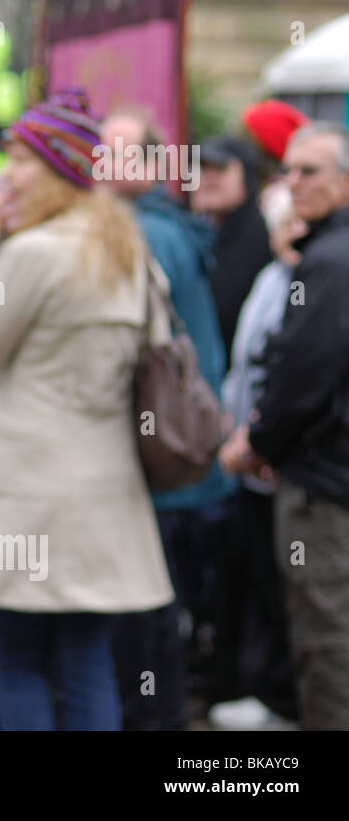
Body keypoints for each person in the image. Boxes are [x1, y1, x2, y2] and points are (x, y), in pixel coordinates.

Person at [0, 89, 174, 730]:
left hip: (30, 488)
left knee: (14, 660)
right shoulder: (126, 249)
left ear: (53, 168)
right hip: (106, 490)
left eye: (20, 159)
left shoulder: (32, 253)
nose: (7, 175)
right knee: (87, 662)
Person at [99, 106, 233, 730]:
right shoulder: (166, 226)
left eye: (121, 152)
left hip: (161, 459)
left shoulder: (146, 233)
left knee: (148, 613)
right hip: (182, 455)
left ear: (150, 166)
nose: (104, 162)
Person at [221, 122, 349, 730]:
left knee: (328, 644)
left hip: (324, 487)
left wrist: (258, 442)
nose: (292, 182)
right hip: (326, 475)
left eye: (310, 171)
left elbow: (303, 371)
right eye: (288, 171)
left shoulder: (329, 263)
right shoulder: (323, 255)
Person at [209, 183, 304, 729]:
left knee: (291, 582)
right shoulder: (272, 277)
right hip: (250, 460)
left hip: (277, 459)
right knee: (263, 580)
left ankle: (289, 700)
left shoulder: (312, 282)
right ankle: (274, 693)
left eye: (295, 226)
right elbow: (246, 364)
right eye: (282, 226)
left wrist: (263, 438)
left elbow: (291, 372)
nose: (289, 236)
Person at [191, 135, 271, 364]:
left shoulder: (259, 239)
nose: (208, 178)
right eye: (202, 168)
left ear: (246, 176)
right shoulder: (202, 231)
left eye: (220, 168)